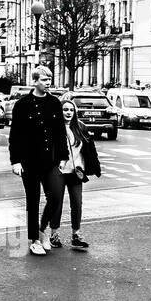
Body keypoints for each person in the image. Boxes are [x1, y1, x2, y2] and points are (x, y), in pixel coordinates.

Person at [9, 66, 66, 256]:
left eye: (49, 80)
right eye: (44, 80)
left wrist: (64, 156)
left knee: (56, 196)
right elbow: (15, 135)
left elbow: (60, 133)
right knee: (32, 200)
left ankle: (43, 231)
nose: (48, 83)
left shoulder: (55, 103)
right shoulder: (22, 104)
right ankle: (34, 240)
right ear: (34, 81)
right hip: (29, 161)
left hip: (50, 160)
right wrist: (15, 161)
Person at [39, 96, 99, 250]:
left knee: (77, 202)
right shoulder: (53, 127)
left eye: (71, 110)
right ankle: (54, 234)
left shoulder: (80, 127)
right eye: (65, 109)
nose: (68, 112)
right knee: (56, 202)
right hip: (57, 171)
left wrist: (91, 167)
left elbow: (89, 149)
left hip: (75, 172)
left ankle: (76, 234)